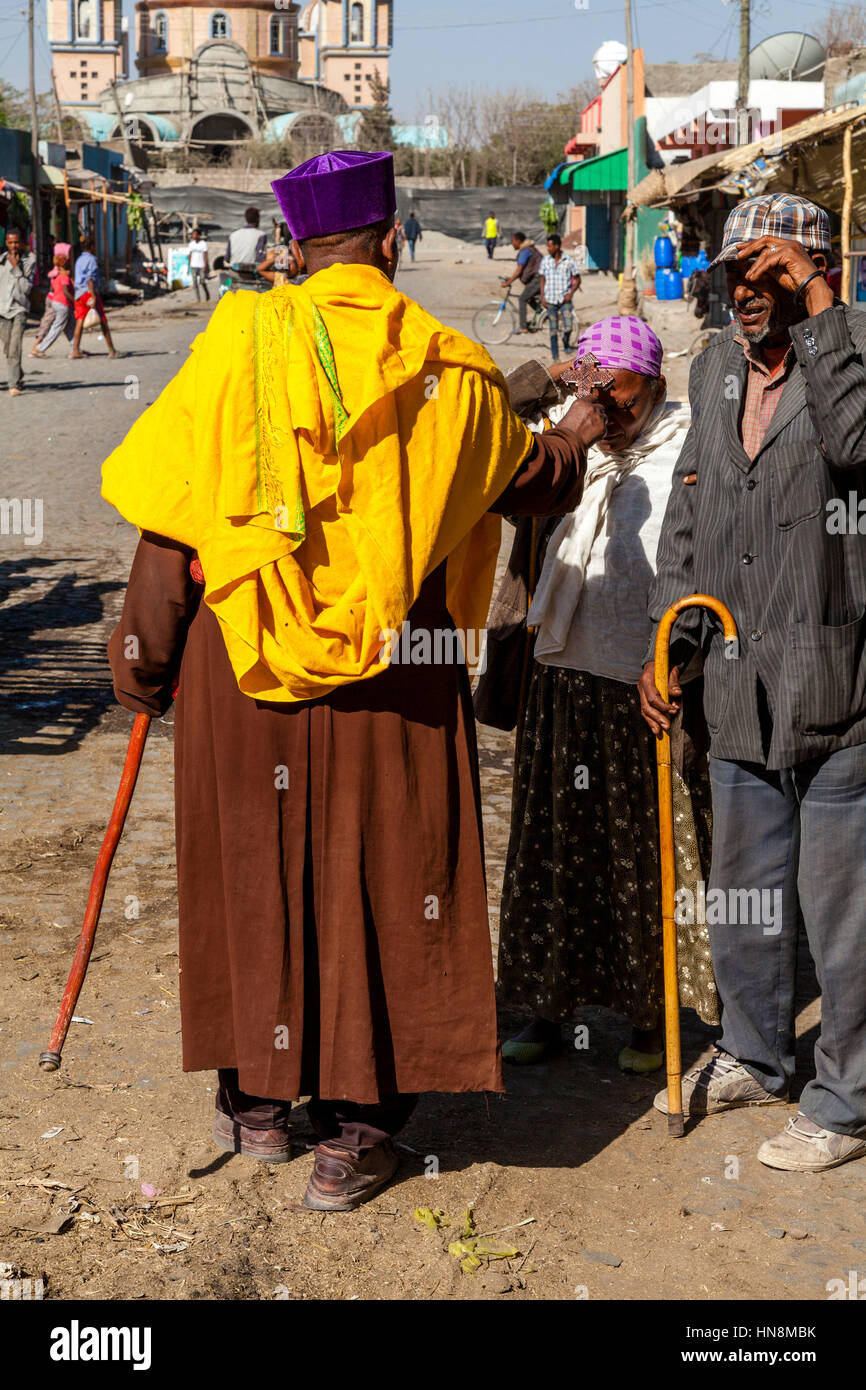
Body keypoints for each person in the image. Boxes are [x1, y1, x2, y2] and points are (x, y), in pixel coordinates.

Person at [101, 149, 600, 1212]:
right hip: (395, 667)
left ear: (294, 246)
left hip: (242, 664)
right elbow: (534, 483)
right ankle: (355, 1136)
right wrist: (579, 428)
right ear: (387, 243)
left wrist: (145, 658)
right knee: (386, 880)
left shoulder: (233, 345)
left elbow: (170, 523)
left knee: (252, 866)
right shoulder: (449, 371)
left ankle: (259, 1107)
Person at [640, 193, 866, 1173]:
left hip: (836, 682)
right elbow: (689, 514)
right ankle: (754, 1047)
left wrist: (817, 305)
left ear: (813, 271)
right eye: (734, 273)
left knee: (839, 911)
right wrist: (667, 646)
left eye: (767, 272)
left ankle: (846, 1099)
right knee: (743, 895)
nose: (746, 291)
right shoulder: (712, 367)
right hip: (735, 680)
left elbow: (858, 448)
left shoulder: (847, 359)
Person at [477, 318, 717, 1072]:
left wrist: (684, 660)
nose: (602, 403)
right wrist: (550, 383)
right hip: (559, 679)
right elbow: (482, 446)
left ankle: (652, 1019)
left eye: (615, 386)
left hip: (647, 687)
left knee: (645, 857)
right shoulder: (560, 441)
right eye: (590, 384)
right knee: (552, 850)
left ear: (653, 384)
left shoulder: (690, 449)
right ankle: (546, 1009)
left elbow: (715, 567)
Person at [0, 228, 36, 396]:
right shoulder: (0, 261)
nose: (13, 246)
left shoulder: (30, 261)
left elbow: (25, 288)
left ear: (21, 242)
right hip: (2, 310)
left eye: (16, 242)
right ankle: (19, 374)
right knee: (8, 350)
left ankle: (13, 384)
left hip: (19, 309)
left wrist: (16, 268)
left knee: (15, 348)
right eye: (10, 242)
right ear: (6, 243)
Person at [71, 236, 118, 359]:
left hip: (79, 294)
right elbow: (90, 279)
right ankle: (111, 350)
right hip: (88, 293)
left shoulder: (79, 260)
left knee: (79, 323)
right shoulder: (92, 260)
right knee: (103, 321)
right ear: (92, 247)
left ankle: (75, 350)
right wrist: (93, 296)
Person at [539, 234, 580, 359]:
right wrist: (542, 297)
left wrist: (570, 293)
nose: (547, 248)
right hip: (550, 300)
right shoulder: (545, 261)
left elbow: (577, 279)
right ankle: (555, 356)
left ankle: (566, 340)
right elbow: (542, 279)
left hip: (565, 300)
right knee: (553, 329)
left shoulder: (569, 261)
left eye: (549, 246)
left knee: (568, 327)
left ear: (556, 246)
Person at [31, 243, 75, 358]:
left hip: (56, 302)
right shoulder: (64, 276)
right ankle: (40, 348)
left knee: (70, 328)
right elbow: (65, 292)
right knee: (57, 328)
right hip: (63, 304)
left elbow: (52, 289)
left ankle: (76, 348)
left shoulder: (55, 274)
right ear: (64, 260)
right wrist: (75, 301)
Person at [500, 231, 543, 334]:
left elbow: (519, 270)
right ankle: (543, 315)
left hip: (539, 279)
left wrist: (508, 282)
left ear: (518, 241)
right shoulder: (529, 249)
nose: (512, 244)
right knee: (528, 298)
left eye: (513, 241)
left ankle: (523, 327)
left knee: (522, 299)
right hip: (539, 278)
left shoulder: (525, 251)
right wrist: (510, 278)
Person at [187, 228, 210, 301]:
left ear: (199, 235)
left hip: (201, 266)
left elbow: (205, 255)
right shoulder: (191, 244)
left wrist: (205, 266)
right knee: (195, 282)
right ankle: (198, 299)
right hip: (193, 266)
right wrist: (189, 265)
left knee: (202, 281)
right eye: (193, 234)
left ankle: (206, 292)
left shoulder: (203, 244)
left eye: (195, 234)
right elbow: (190, 255)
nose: (194, 236)